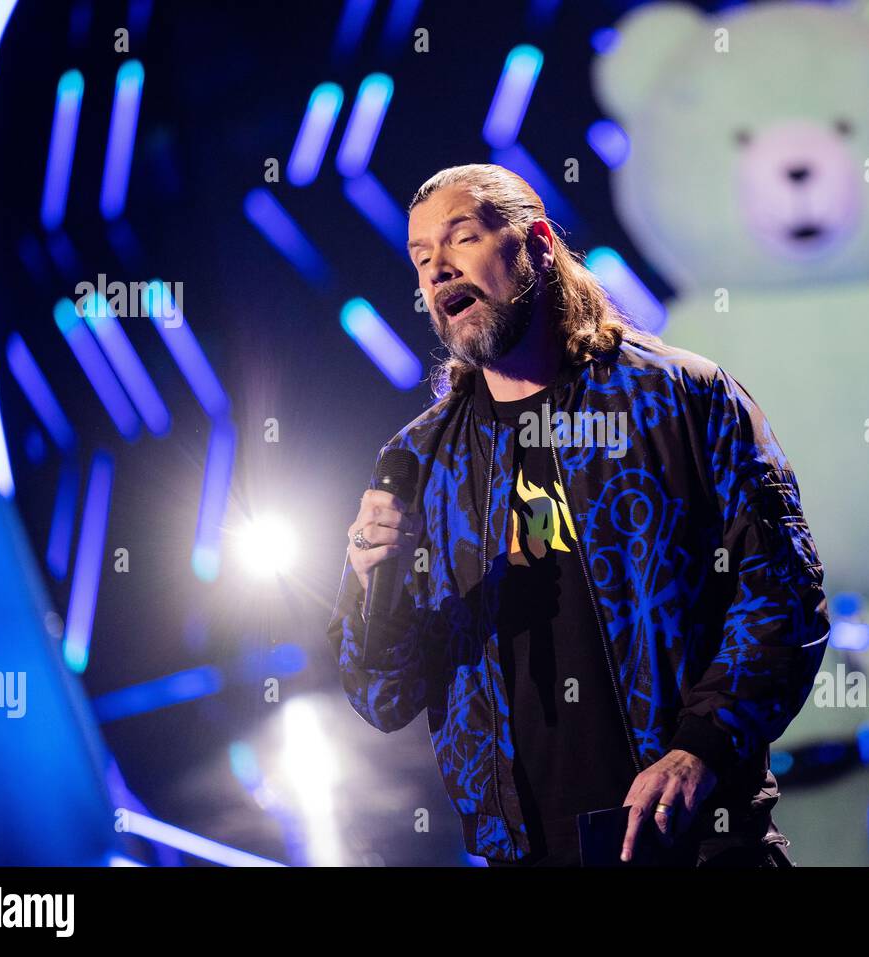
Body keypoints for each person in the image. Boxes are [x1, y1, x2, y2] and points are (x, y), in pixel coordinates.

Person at [327, 163, 830, 867]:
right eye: (419, 258)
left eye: (461, 238)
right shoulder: (420, 461)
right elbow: (382, 695)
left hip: (699, 848)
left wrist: (701, 745)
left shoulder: (680, 398)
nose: (437, 270)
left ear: (536, 243)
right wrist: (366, 583)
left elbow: (784, 597)